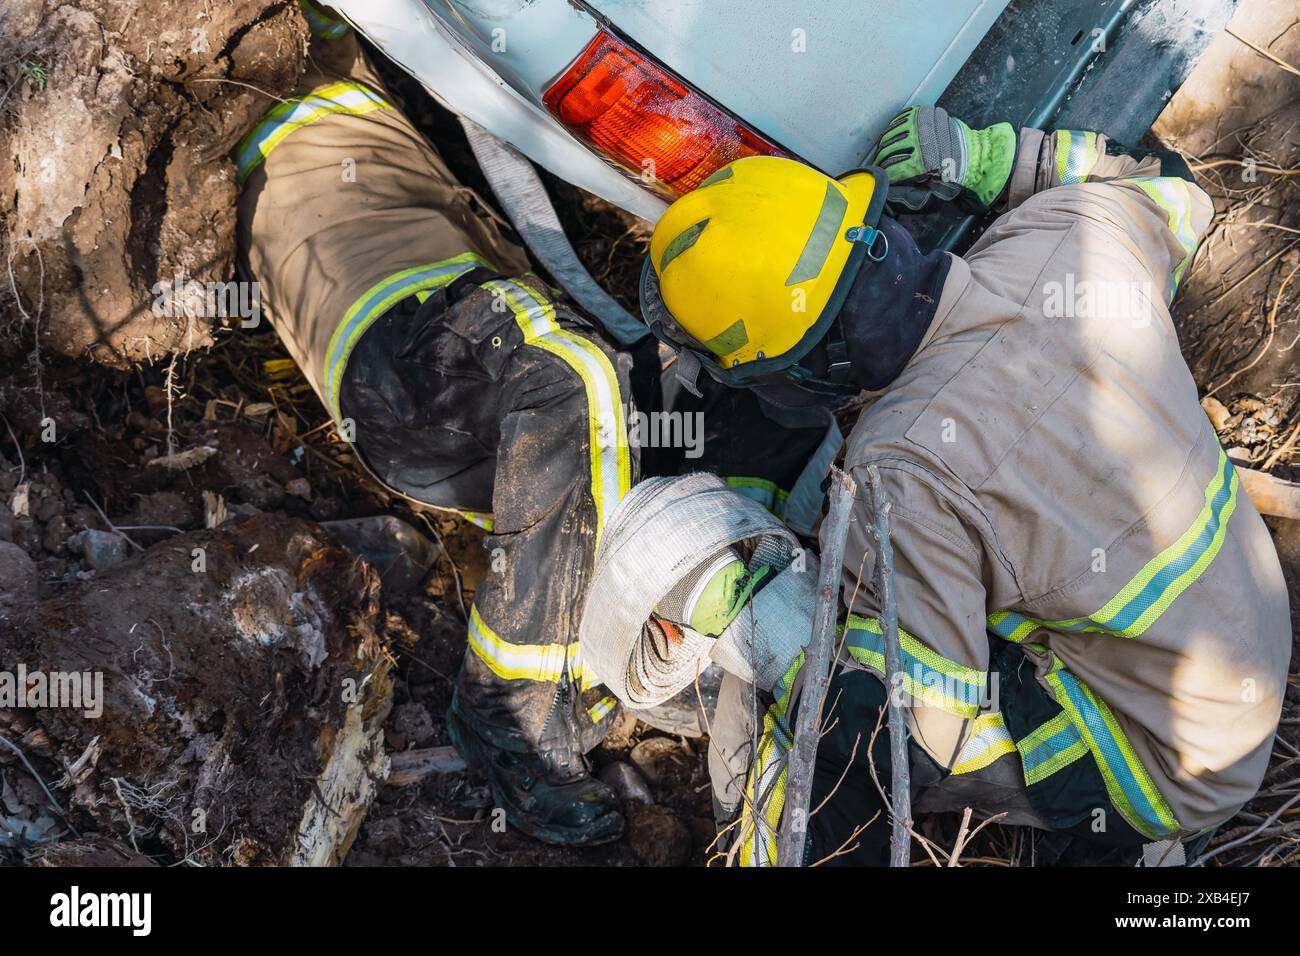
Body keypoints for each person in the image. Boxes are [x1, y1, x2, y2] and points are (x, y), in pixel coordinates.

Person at [619, 104, 1291, 864]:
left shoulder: (904, 465)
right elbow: (1173, 185)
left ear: (814, 371)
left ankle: (1134, 845)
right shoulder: (1063, 236)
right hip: (1245, 650)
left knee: (810, 704)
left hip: (1160, 760)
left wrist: (767, 627)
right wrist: (994, 158)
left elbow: (908, 734)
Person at [235, 3, 638, 845]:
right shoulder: (283, 56)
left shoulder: (382, 75)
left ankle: (603, 670)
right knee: (576, 377)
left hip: (412, 395)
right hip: (402, 325)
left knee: (611, 439)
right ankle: (510, 712)